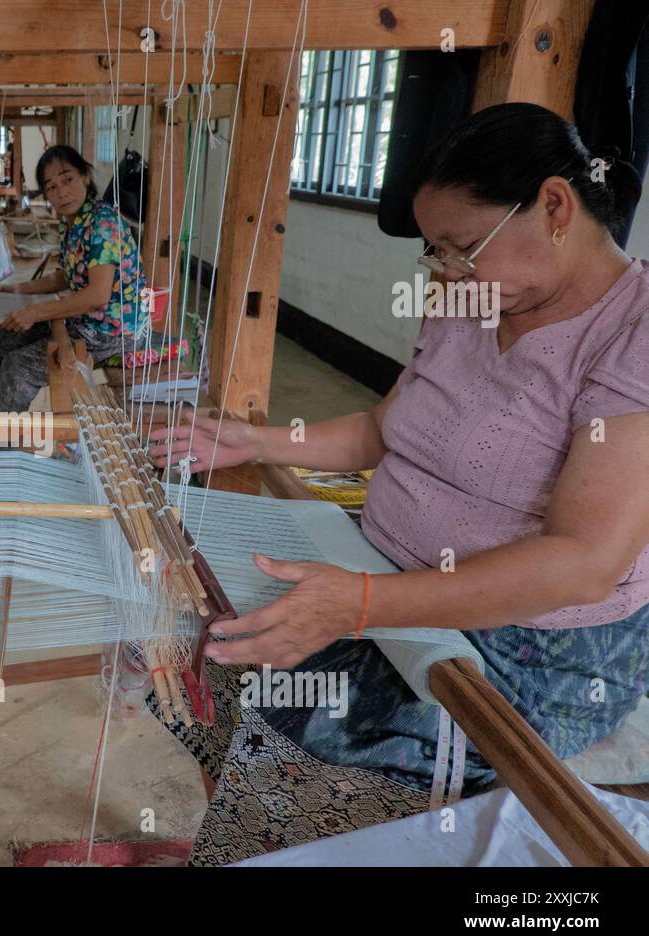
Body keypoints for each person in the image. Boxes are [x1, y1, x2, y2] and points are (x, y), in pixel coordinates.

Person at [148, 102, 649, 860]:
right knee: (197, 625)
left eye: (463, 247)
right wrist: (257, 439)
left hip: (531, 650)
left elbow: (584, 563)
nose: (448, 271)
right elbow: (384, 431)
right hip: (379, 568)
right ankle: (243, 818)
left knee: (302, 717)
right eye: (436, 253)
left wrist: (360, 604)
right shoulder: (469, 300)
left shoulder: (631, 335)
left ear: (554, 207)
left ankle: (274, 842)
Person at [0, 145, 147, 412]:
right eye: (51, 187)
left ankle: (3, 434)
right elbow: (66, 278)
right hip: (90, 321)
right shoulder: (71, 222)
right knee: (7, 336)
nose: (61, 192)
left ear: (85, 177)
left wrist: (36, 312)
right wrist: (18, 289)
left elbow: (97, 296)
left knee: (19, 366)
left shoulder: (102, 222)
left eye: (67, 179)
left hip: (115, 330)